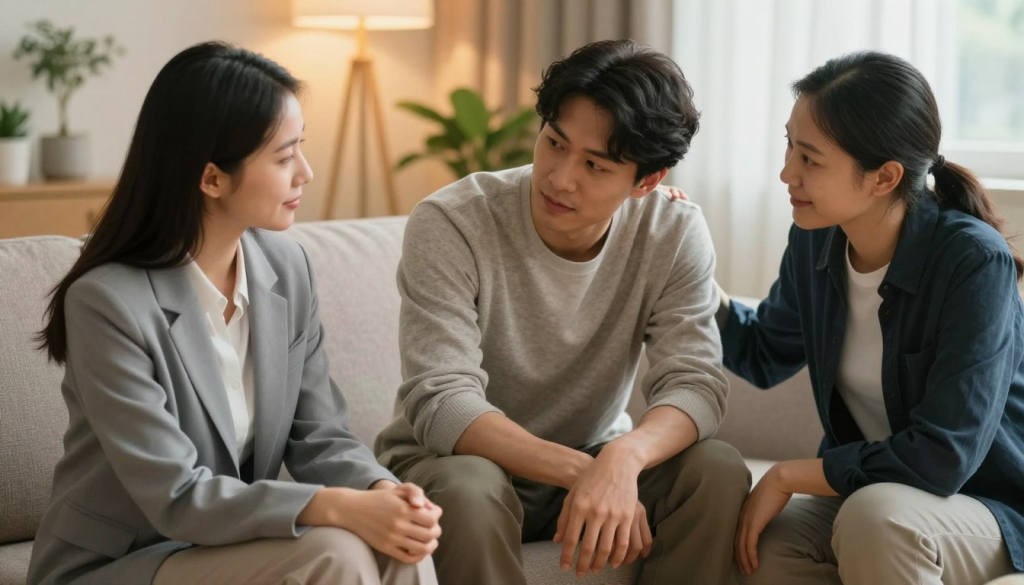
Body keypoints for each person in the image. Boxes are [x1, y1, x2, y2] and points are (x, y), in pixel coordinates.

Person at [28, 41, 440, 585]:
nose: (306, 173)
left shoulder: (287, 268)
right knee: (335, 552)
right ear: (212, 179)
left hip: (231, 544)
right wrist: (336, 507)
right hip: (119, 563)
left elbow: (319, 435)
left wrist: (382, 494)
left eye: (301, 149)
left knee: (401, 544)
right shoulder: (107, 303)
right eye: (285, 157)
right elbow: (176, 494)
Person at [374, 39, 750, 585]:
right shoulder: (453, 222)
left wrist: (623, 460)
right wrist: (588, 473)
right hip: (459, 463)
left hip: (596, 447)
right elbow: (443, 401)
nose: (559, 177)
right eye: (554, 142)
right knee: (472, 488)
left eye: (595, 165)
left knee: (716, 470)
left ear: (647, 181)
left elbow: (696, 384)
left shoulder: (672, 230)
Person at [715, 51, 1024, 584]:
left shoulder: (973, 262)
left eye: (810, 159)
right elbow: (763, 353)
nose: (786, 173)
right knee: (765, 542)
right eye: (789, 145)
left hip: (988, 505)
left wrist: (788, 474)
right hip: (878, 494)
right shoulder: (815, 238)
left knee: (875, 517)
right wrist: (682, 262)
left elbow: (944, 457)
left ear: (884, 178)